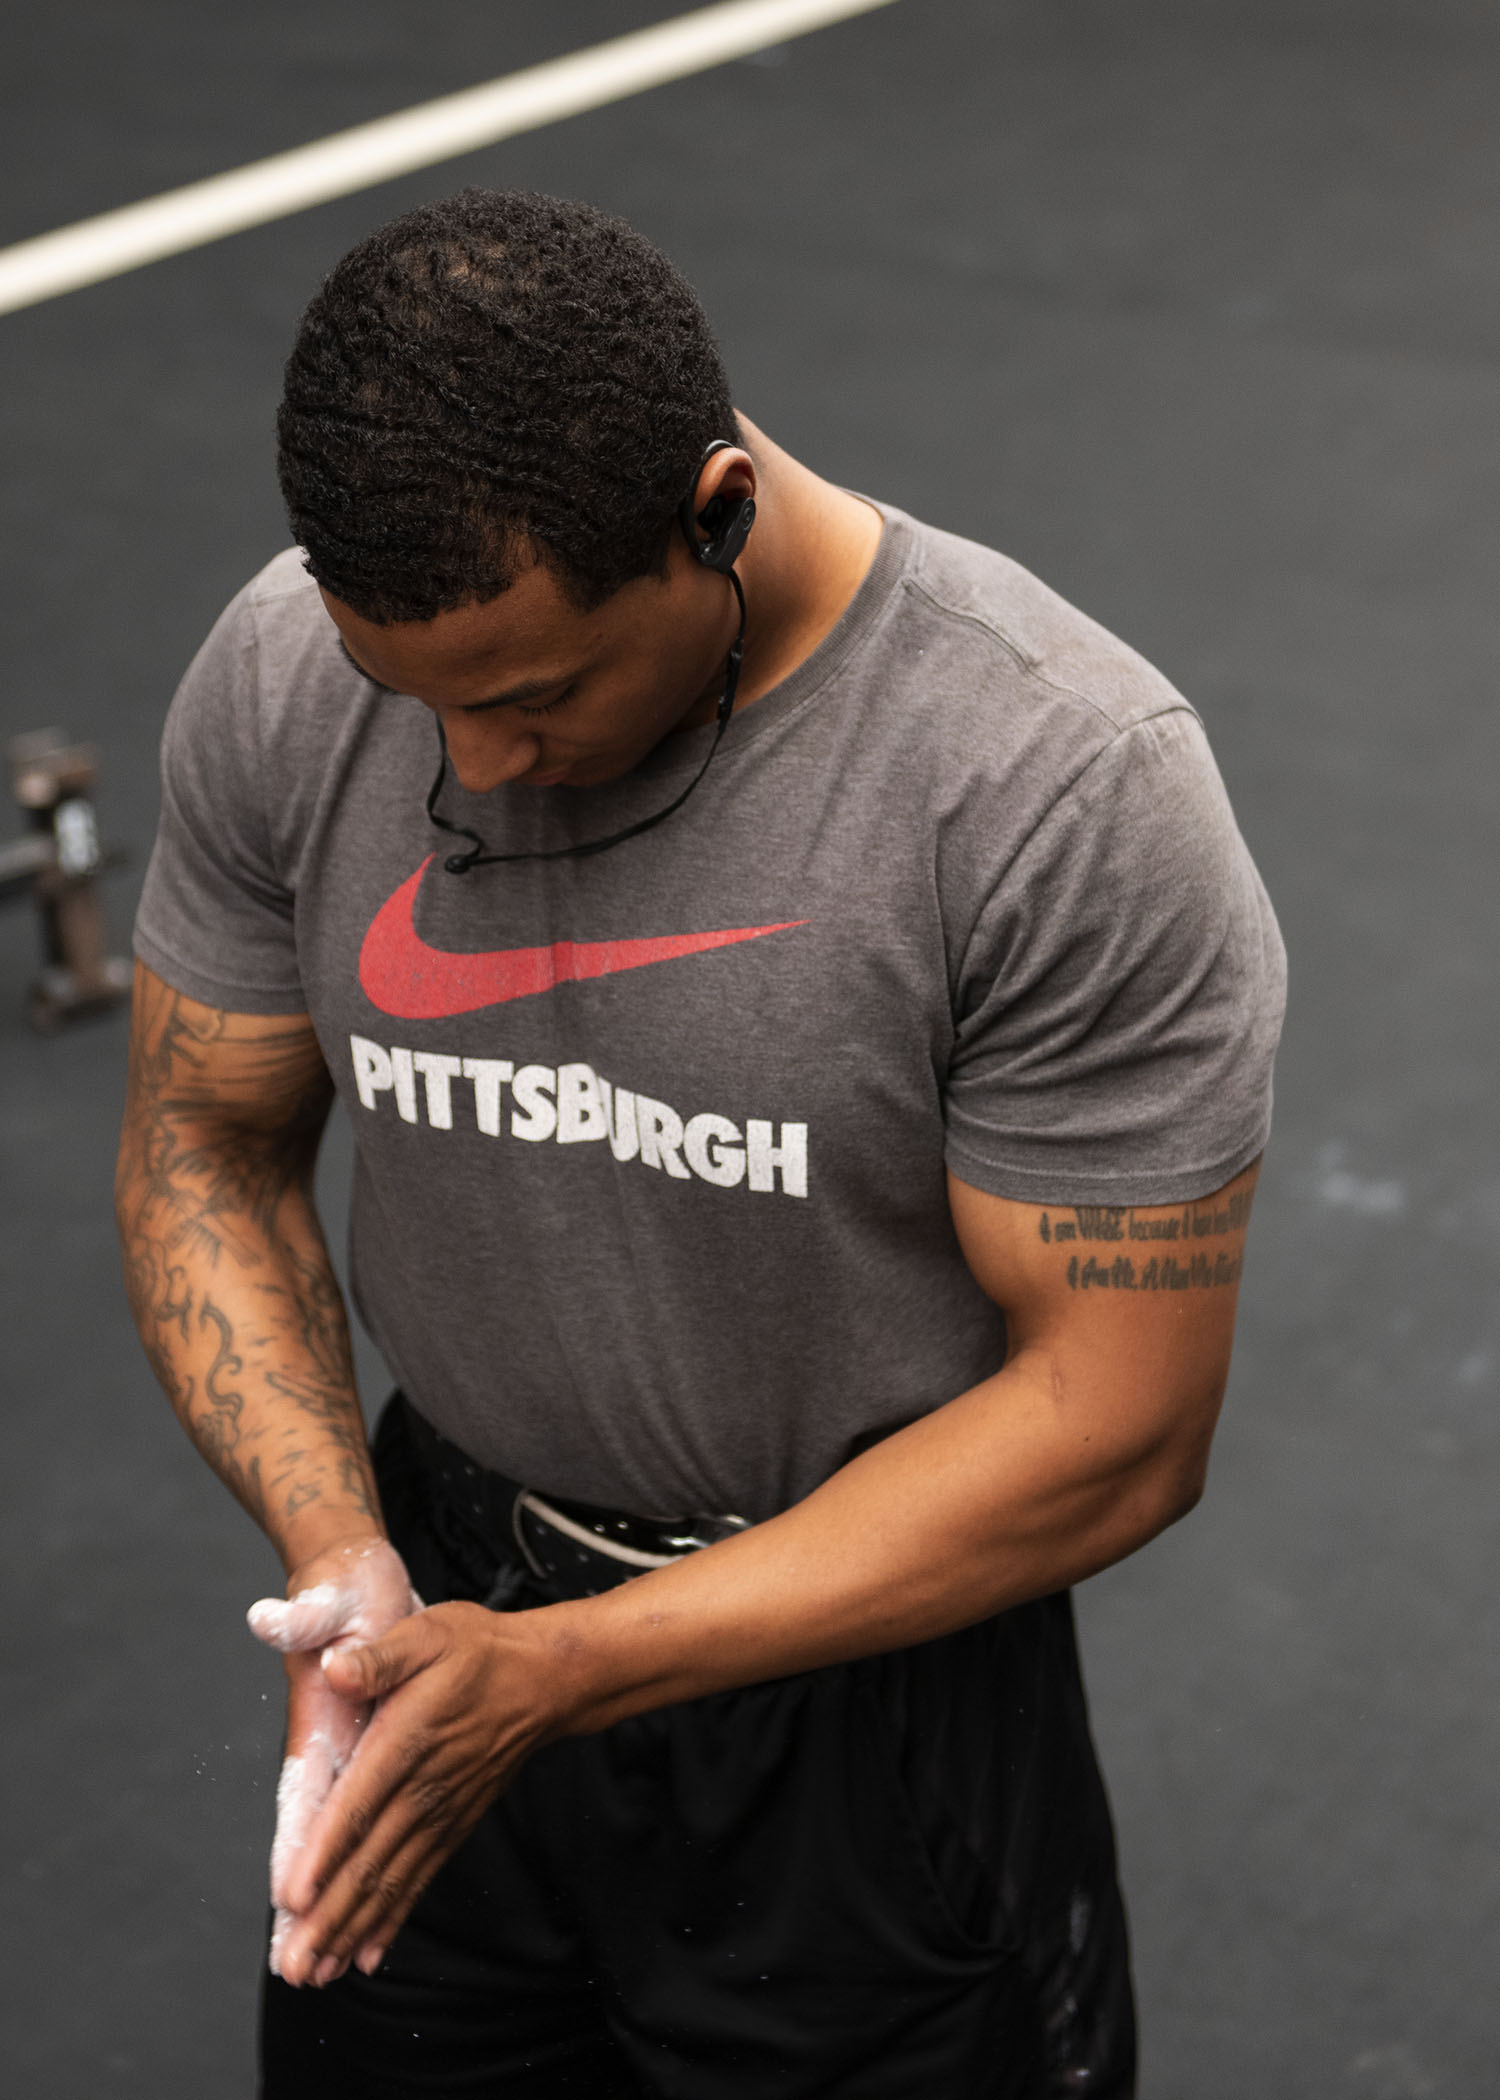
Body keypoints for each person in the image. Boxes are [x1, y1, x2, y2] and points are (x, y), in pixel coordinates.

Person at [115, 188, 1285, 2099]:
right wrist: (342, 1554)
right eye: (415, 700)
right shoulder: (295, 673)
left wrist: (575, 1671)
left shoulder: (1051, 787)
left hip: (857, 1689)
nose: (469, 771)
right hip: (445, 1604)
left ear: (716, 510)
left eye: (532, 694)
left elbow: (1118, 1423)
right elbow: (204, 1142)